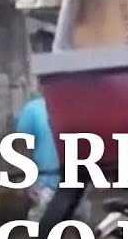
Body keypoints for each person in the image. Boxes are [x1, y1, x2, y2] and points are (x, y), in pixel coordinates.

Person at [14, 92, 91, 221]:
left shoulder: (79, 107)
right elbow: (23, 145)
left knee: (79, 233)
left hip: (78, 186)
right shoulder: (33, 109)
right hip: (45, 186)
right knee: (43, 233)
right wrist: (28, 181)